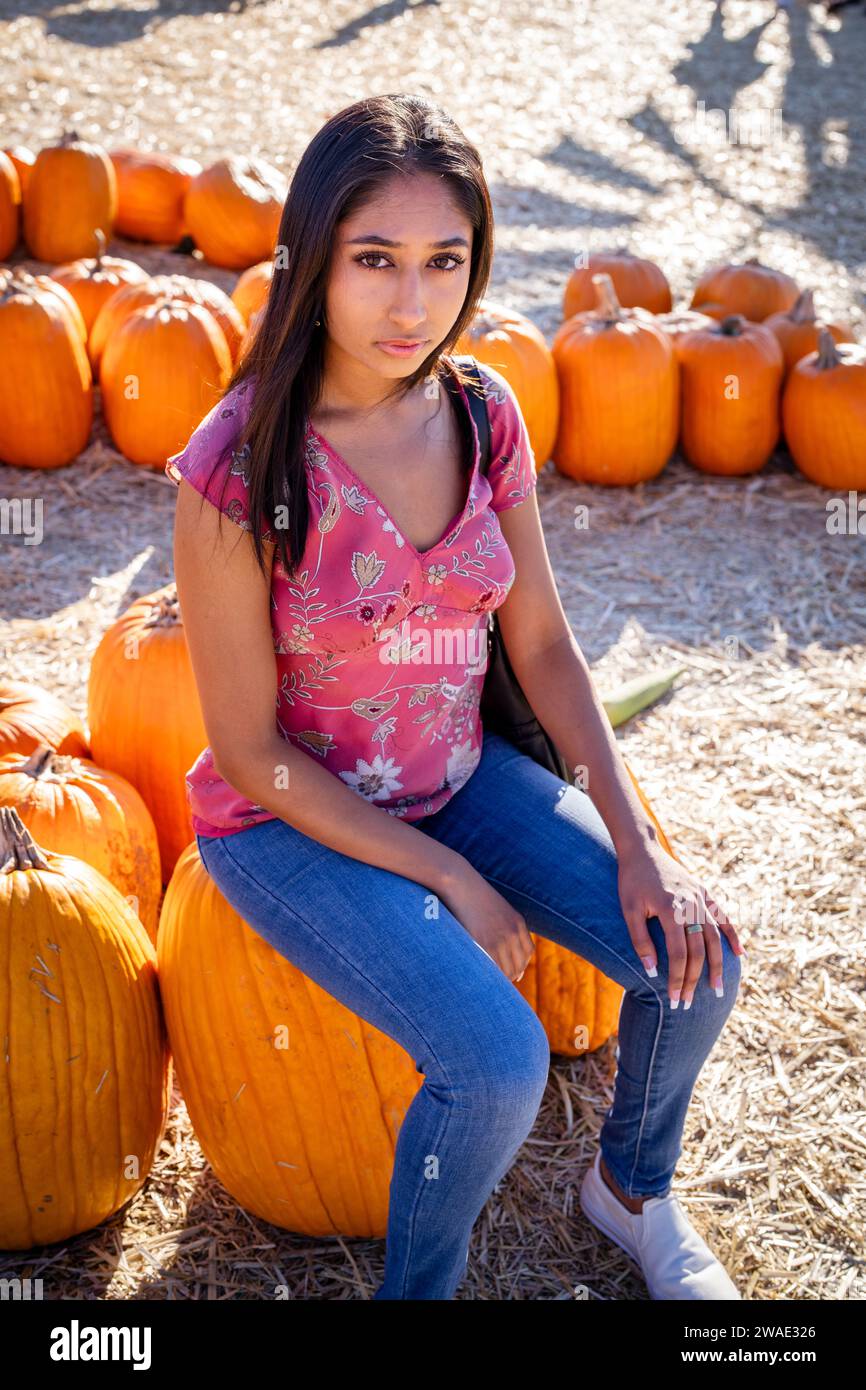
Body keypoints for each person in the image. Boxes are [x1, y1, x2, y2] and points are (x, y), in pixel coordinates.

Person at [168, 93, 745, 1302]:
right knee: (493, 1062)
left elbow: (539, 643)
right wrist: (450, 876)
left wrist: (641, 850)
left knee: (695, 959)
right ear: (311, 257)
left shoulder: (482, 414)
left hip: (454, 774)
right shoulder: (239, 462)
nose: (411, 302)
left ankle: (628, 1190)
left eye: (445, 262)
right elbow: (251, 749)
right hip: (288, 820)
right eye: (373, 260)